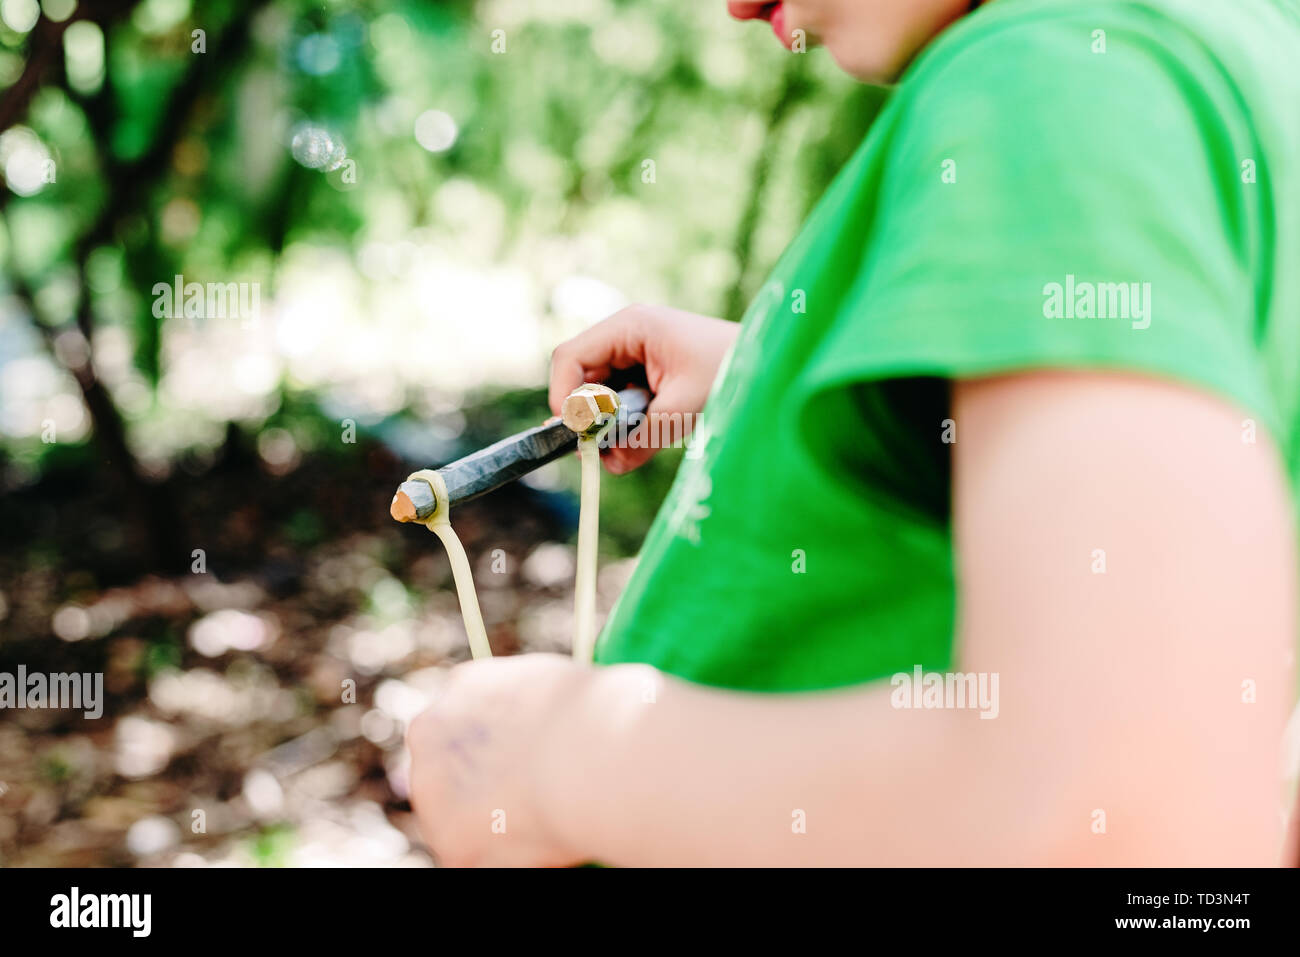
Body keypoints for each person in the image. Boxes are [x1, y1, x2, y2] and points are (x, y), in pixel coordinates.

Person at [406, 0, 1300, 866]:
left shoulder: (1049, 80)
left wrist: (550, 766)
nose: (738, 5)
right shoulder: (1227, 54)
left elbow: (1124, 809)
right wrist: (775, 380)